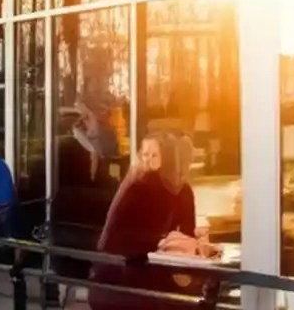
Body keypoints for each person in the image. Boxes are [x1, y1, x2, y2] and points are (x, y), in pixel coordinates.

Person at [89, 132, 215, 310]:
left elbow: (186, 236)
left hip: (149, 269)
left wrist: (193, 245)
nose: (181, 170)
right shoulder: (139, 186)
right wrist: (162, 241)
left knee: (204, 292)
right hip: (121, 272)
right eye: (145, 154)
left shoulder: (183, 191)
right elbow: (113, 241)